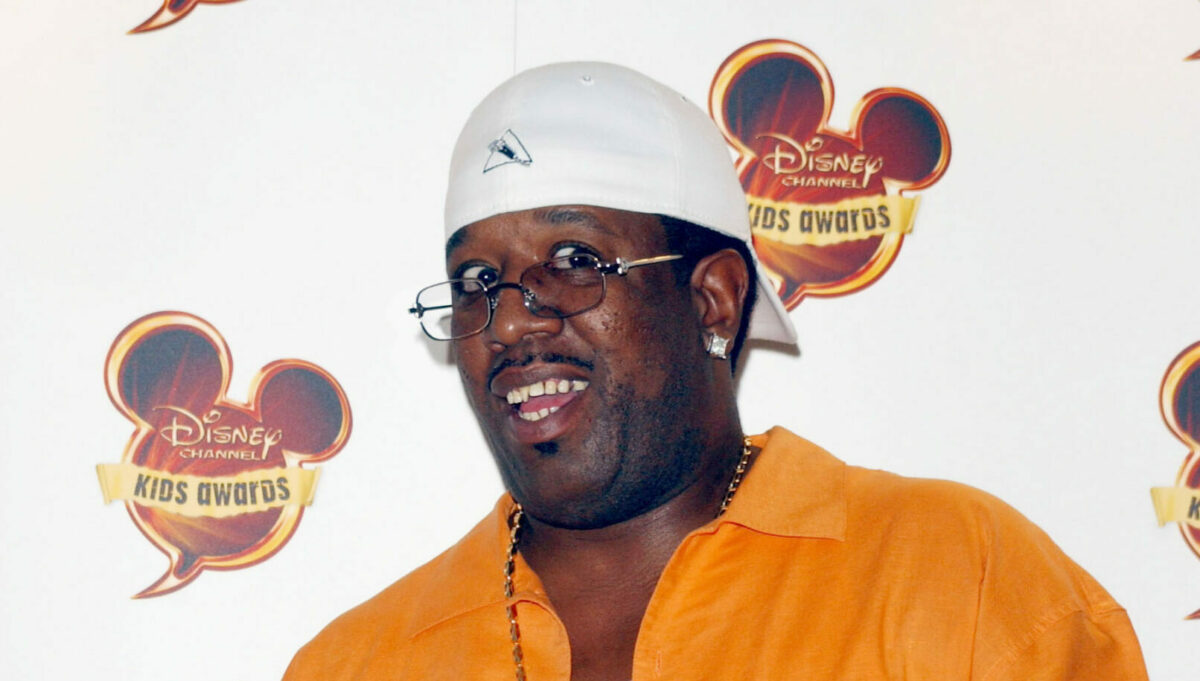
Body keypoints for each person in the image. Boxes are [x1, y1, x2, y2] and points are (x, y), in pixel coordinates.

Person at [283, 62, 1148, 681]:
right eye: (477, 280)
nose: (508, 319)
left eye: (576, 259)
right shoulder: (357, 661)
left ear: (713, 300)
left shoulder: (958, 575)